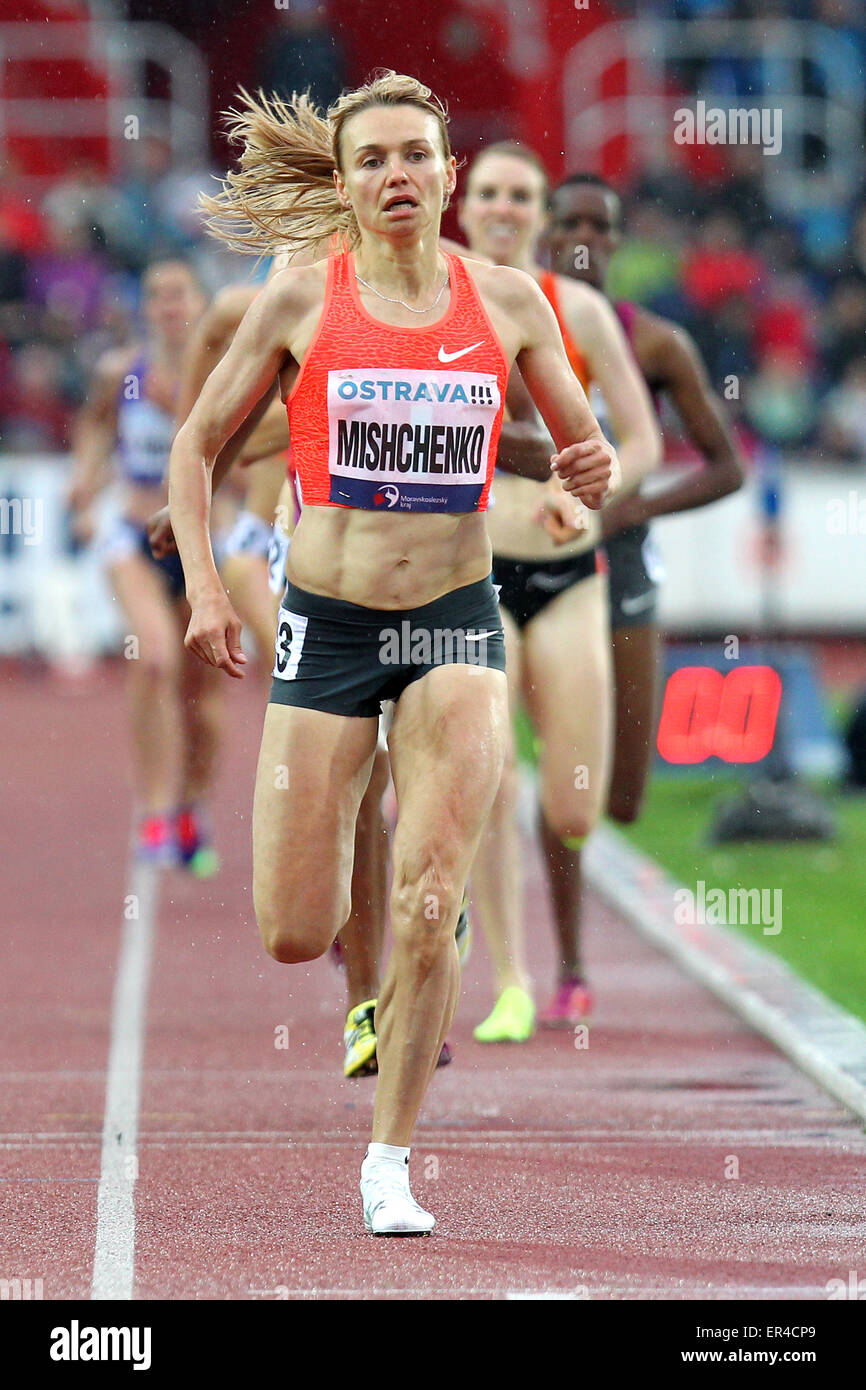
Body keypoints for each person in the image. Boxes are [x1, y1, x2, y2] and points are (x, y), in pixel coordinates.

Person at [168, 74, 620, 1236]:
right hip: (326, 626)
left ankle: (389, 1159)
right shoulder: (298, 304)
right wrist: (210, 589)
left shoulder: (509, 302)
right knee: (294, 929)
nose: (397, 176)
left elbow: (579, 446)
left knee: (424, 897)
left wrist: (588, 477)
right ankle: (394, 922)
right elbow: (195, 444)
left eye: (416, 155)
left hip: (453, 624)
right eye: (371, 160)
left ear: (447, 173)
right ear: (346, 181)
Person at [457, 143, 662, 1040]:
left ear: (542, 214)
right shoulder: (433, 300)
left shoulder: (576, 310)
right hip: (468, 567)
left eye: (522, 196)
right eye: (490, 192)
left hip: (572, 571)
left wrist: (591, 498)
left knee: (575, 804)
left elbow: (645, 443)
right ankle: (510, 978)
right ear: (464, 205)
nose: (504, 208)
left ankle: (523, 928)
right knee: (493, 770)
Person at [542, 170, 744, 990]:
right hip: (533, 562)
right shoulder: (516, 321)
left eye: (601, 221)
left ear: (620, 240)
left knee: (620, 795)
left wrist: (633, 509)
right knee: (563, 770)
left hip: (620, 560)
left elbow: (727, 466)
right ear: (548, 235)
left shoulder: (655, 342)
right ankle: (566, 965)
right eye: (571, 220)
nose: (585, 234)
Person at [67, 258, 223, 871]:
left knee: (201, 695)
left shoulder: (219, 370)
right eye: (157, 295)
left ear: (200, 301)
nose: (169, 306)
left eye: (180, 293)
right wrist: (85, 481)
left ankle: (193, 803)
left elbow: (249, 440)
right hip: (134, 536)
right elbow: (95, 427)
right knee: (153, 657)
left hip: (200, 543)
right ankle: (154, 808)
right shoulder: (122, 372)